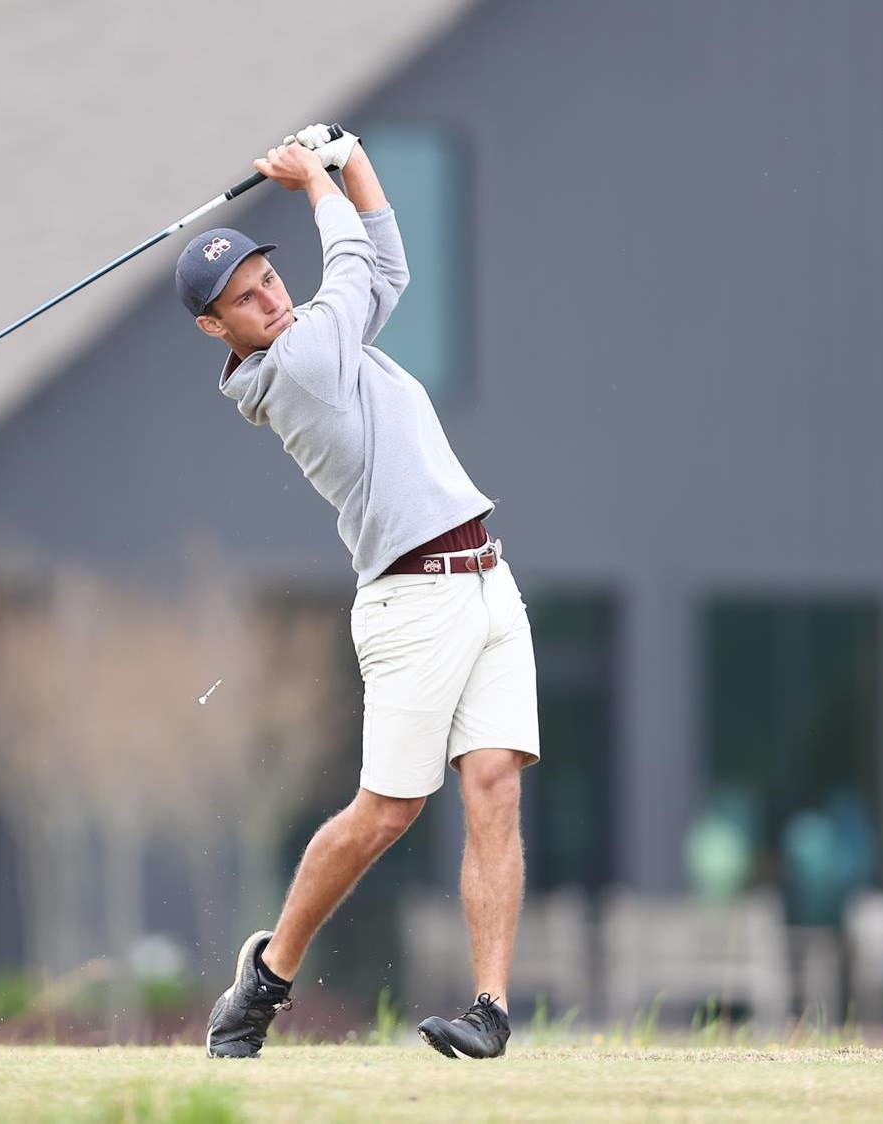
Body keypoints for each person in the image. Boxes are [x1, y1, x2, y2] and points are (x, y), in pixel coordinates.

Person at [174, 124, 540, 1060]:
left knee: (494, 786)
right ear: (218, 329)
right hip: (411, 601)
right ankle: (265, 980)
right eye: (245, 300)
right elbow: (347, 270)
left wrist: (350, 155)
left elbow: (386, 271)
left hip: (487, 579)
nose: (269, 298)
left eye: (267, 278)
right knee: (387, 813)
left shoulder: (316, 336)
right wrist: (312, 184)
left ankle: (491, 1012)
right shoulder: (293, 370)